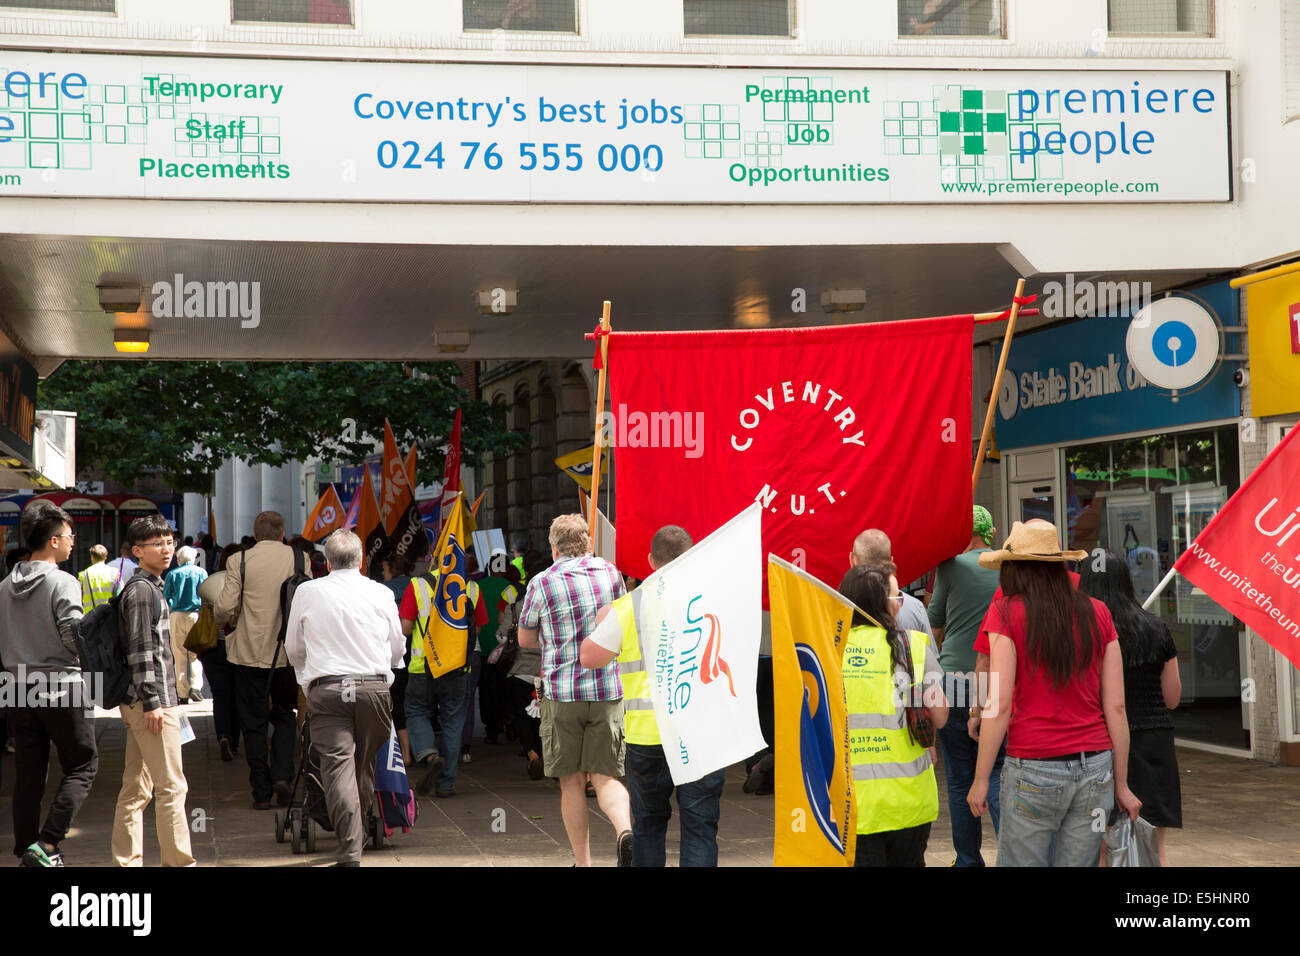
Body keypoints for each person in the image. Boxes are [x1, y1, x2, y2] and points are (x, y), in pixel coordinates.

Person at [967, 521, 1142, 866]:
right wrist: (1121, 784)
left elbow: (999, 704)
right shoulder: (1099, 612)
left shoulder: (1006, 612)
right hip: (1096, 768)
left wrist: (980, 778)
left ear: (1015, 568)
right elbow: (1117, 707)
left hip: (1033, 766)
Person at [580, 524, 727, 867]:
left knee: (646, 825)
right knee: (701, 827)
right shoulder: (714, 603)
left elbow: (589, 657)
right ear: (691, 558)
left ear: (650, 560)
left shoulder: (631, 605)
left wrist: (604, 619)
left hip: (647, 735)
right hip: (701, 734)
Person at [518, 513, 632, 867]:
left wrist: (554, 640)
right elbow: (621, 622)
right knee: (606, 777)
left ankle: (583, 863)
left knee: (571, 784)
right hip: (606, 690)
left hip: (562, 694)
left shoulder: (542, 581)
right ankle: (626, 832)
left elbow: (525, 639)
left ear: (554, 547)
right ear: (587, 543)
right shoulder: (611, 574)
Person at [285, 530, 405, 867]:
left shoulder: (308, 591)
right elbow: (397, 646)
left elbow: (294, 648)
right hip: (372, 688)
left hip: (328, 688)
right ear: (361, 558)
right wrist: (388, 666)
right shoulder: (380, 592)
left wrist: (307, 681)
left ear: (325, 561)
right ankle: (357, 836)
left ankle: (351, 847)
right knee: (364, 767)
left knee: (337, 769)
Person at [0, 502, 97, 867]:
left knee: (29, 774)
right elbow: (74, 637)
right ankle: (49, 844)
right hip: (60, 685)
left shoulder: (5, 585)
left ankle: (26, 847)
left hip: (17, 685)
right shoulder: (63, 581)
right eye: (70, 536)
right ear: (54, 540)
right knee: (82, 765)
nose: (73, 542)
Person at [838, 564, 948, 866]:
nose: (900, 601)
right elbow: (940, 717)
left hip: (853, 806)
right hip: (909, 804)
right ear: (882, 602)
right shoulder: (913, 646)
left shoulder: (831, 649)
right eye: (895, 595)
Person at [1079, 550, 1182, 866]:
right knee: (1154, 850)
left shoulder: (1082, 632)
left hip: (1100, 744)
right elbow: (1172, 697)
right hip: (1153, 744)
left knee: (1098, 848)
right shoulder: (1156, 629)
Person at [112, 514, 195, 867]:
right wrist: (153, 702)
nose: (166, 549)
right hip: (151, 702)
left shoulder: (148, 586)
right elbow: (141, 650)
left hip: (141, 701)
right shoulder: (144, 590)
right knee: (172, 787)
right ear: (137, 551)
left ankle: (126, 860)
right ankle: (179, 863)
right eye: (157, 544)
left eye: (169, 541)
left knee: (136, 787)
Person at [214, 511, 309, 810]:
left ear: (255, 534)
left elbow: (226, 606)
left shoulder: (239, 561)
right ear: (282, 534)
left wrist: (227, 621)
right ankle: (283, 774)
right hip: (286, 654)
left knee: (253, 723)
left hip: (248, 654)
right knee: (283, 715)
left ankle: (261, 791)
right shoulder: (299, 557)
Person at [927, 505, 1004, 866]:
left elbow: (934, 623)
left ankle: (968, 860)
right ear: (989, 532)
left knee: (960, 778)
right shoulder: (1008, 566)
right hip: (999, 679)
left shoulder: (950, 566)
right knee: (1001, 772)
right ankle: (1013, 853)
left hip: (955, 678)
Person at [399, 553, 488, 797]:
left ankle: (429, 754)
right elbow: (477, 627)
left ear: (434, 561)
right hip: (458, 669)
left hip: (422, 667)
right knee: (453, 722)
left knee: (417, 711)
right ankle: (446, 784)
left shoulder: (417, 585)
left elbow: (405, 628)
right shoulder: (471, 588)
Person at [851, 529, 933, 638]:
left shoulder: (836, 610)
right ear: (891, 561)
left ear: (852, 560)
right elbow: (930, 653)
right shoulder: (916, 609)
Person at [380, 554, 413, 765]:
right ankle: (409, 753)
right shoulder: (416, 586)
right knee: (409, 704)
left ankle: (394, 755)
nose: (383, 573)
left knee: (393, 703)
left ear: (392, 569)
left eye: (384, 569)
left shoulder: (384, 591)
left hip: (392, 654)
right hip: (418, 653)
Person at [164, 545, 208, 702]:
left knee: (179, 654)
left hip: (177, 614)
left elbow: (166, 596)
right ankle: (196, 686)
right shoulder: (201, 573)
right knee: (196, 654)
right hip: (195, 615)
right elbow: (206, 594)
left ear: (179, 559)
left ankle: (182, 693)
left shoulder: (172, 574)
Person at [78, 543, 117, 612]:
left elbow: (78, 597)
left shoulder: (84, 575)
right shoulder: (114, 573)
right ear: (105, 557)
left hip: (89, 617)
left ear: (92, 557)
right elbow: (120, 595)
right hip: (109, 616)